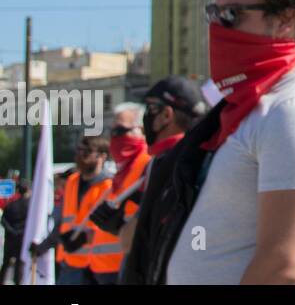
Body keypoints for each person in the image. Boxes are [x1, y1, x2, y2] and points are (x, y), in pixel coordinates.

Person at [124, 0, 295, 284]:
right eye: (214, 13)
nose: (217, 27)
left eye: (232, 14)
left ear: (286, 19)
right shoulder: (249, 104)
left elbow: (285, 267)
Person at [90, 79, 207, 269]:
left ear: (166, 115)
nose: (146, 118)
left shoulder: (167, 162)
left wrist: (118, 225)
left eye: (150, 108)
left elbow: (132, 240)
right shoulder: (201, 155)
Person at [30, 134, 116, 284]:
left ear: (102, 156)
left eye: (86, 151)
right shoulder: (72, 182)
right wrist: (43, 246)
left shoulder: (109, 186)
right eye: (79, 150)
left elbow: (111, 228)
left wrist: (84, 238)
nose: (80, 155)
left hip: (95, 266)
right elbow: (62, 221)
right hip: (69, 262)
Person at [1, 180, 31, 284]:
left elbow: (3, 220)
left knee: (6, 262)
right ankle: (17, 281)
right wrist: (20, 231)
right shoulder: (29, 206)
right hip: (22, 237)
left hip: (10, 237)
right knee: (19, 263)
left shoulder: (10, 205)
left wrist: (12, 230)